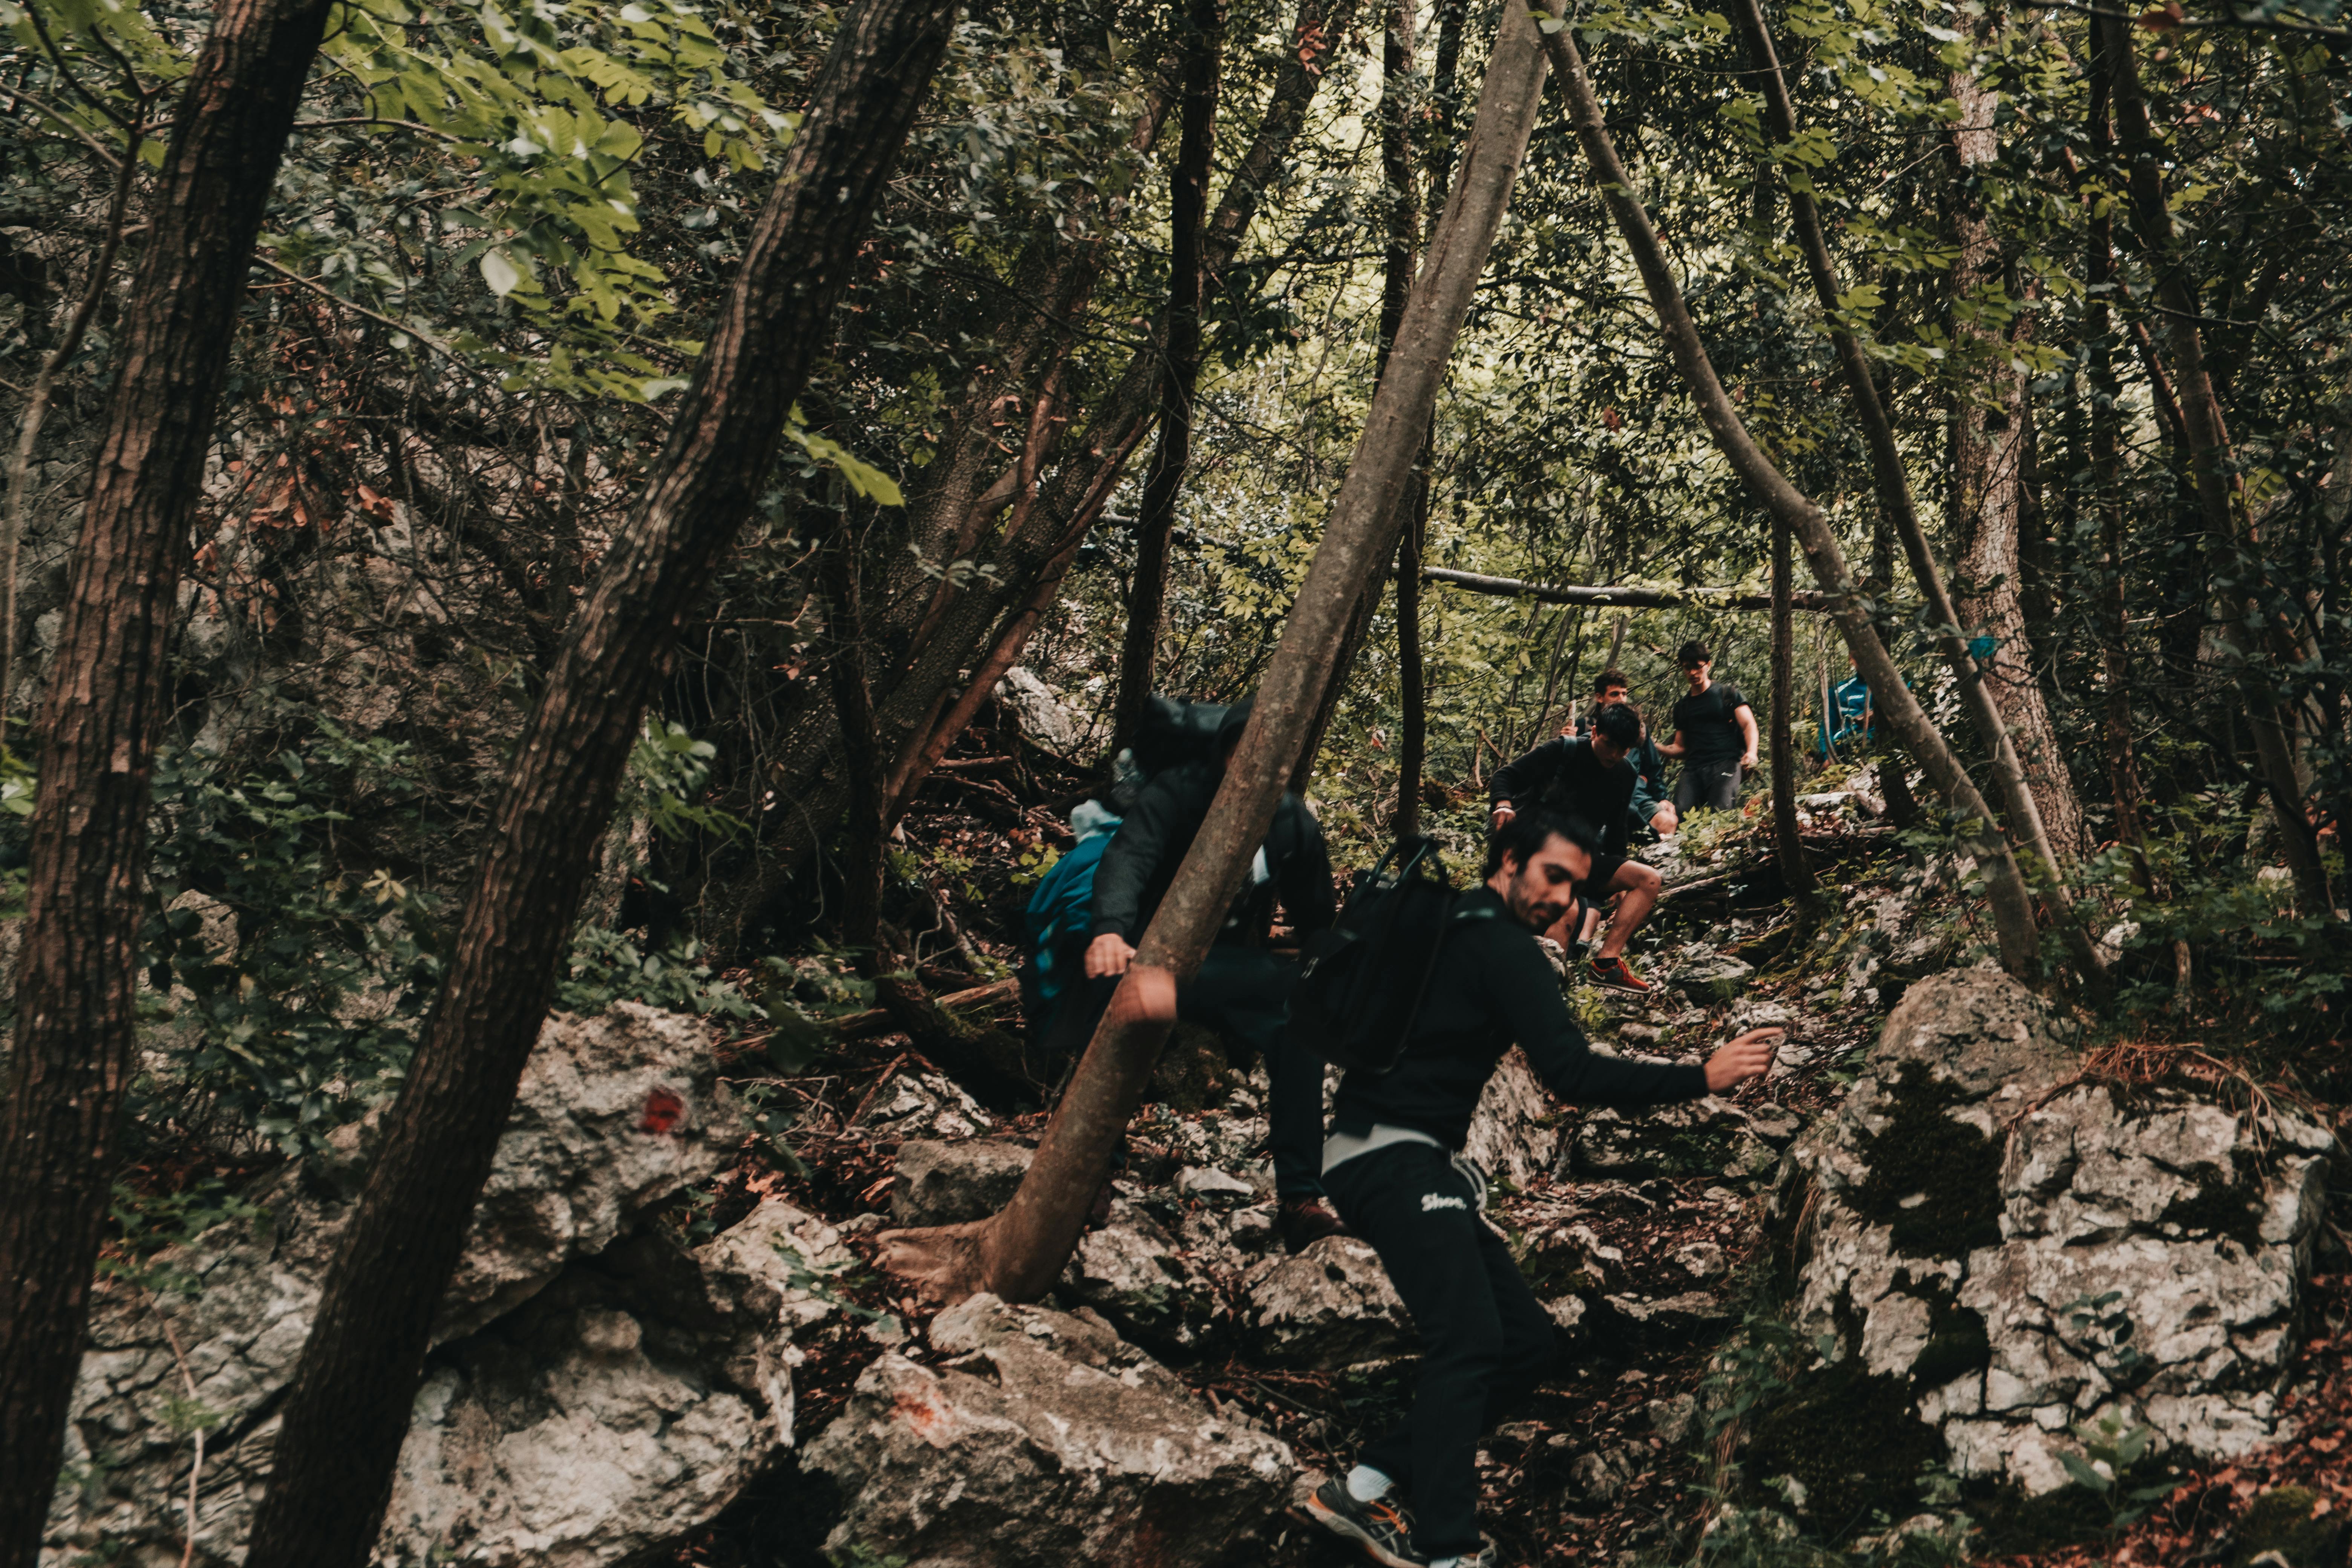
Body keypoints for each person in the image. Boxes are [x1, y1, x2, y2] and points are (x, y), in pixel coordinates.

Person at [1305, 810, 1782, 1568]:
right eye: (1553, 875)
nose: (1563, 898)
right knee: (1469, 1340)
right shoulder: (1499, 944)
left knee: (1524, 1343)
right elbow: (1572, 1073)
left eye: (1577, 887)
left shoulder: (1453, 921)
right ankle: (1448, 1549)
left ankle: (1364, 1487)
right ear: (1508, 859)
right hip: (1392, 1160)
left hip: (1392, 1158)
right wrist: (1701, 1075)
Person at [1067, 698, 1346, 1253]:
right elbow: (1128, 859)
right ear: (1223, 753)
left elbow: (1317, 919)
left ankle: (1300, 1199)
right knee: (1121, 999)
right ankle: (1093, 1170)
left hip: (1222, 972)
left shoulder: (1291, 822)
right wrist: (1110, 930)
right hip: (1145, 954)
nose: (1254, 767)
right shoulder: (1178, 792)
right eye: (1243, 752)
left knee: (1301, 1019)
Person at [1487, 702, 1663, 992]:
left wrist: (1618, 883)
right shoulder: (1563, 751)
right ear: (1594, 732)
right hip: (1537, 855)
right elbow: (1505, 776)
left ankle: (1606, 963)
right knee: (1566, 912)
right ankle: (1541, 992)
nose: (1615, 754)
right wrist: (1503, 805)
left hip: (1582, 859)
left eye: (1623, 749)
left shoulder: (1625, 773)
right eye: (1609, 744)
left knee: (1649, 879)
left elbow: (1617, 829)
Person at [1018, 799, 1123, 1047]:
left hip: (1073, 926)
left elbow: (1041, 904)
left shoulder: (1086, 852)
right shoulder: (1128, 849)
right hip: (1093, 929)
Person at [1658, 640, 1756, 814]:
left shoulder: (1727, 694)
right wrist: (1654, 746)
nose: (1693, 673)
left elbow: (1749, 725)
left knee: (1721, 811)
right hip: (1694, 769)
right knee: (1680, 814)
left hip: (1727, 764)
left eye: (1698, 667)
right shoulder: (1682, 707)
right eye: (1688, 668)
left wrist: (1751, 753)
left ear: (1708, 665)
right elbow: (1680, 748)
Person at [1578, 669, 1675, 841]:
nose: (1621, 699)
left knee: (1667, 820)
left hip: (1637, 797)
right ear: (1600, 697)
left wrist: (1663, 798)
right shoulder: (1584, 726)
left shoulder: (1639, 728)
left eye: (1624, 694)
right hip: (1599, 799)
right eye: (1615, 694)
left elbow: (1653, 769)